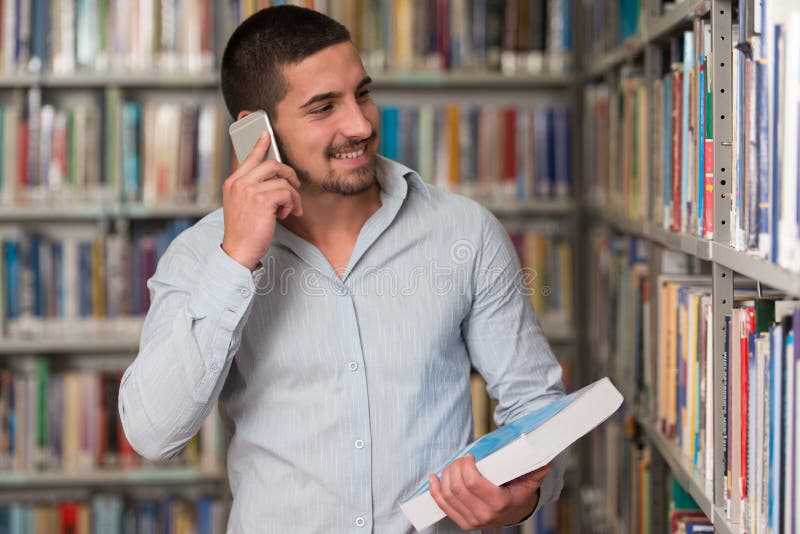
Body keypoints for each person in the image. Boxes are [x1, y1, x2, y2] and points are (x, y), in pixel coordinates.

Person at [118, 5, 566, 533]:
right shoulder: (201, 256)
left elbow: (537, 410)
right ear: (257, 131)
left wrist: (521, 501)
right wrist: (237, 258)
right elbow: (154, 435)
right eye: (323, 107)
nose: (359, 124)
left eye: (363, 93)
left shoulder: (465, 233)